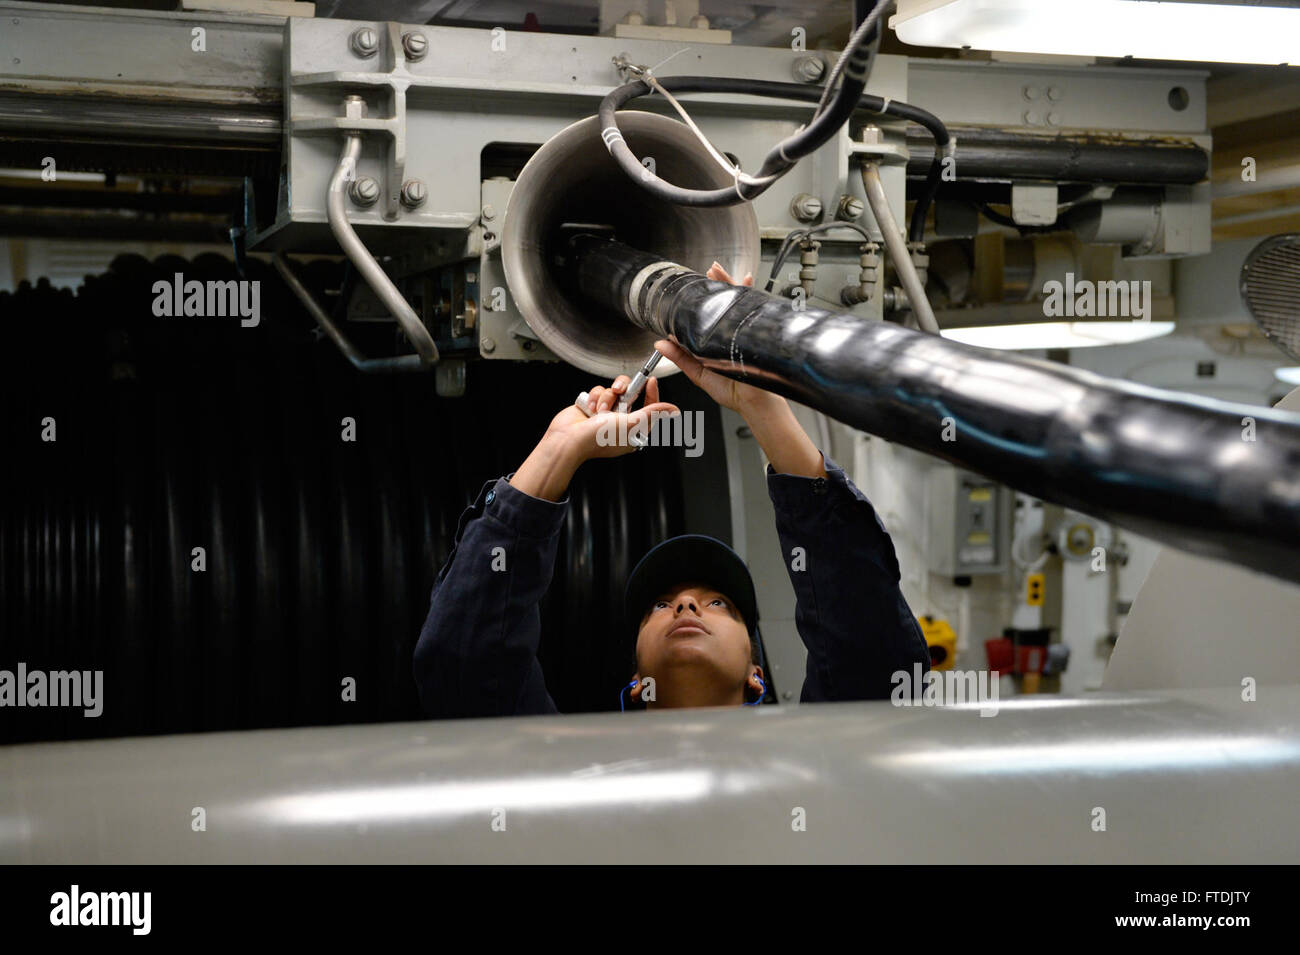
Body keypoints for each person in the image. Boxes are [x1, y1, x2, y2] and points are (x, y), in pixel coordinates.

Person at [413, 263, 929, 718]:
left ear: (757, 674)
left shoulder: (812, 767)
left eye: (719, 603)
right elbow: (465, 667)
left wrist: (764, 407)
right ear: (636, 682)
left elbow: (872, 655)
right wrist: (557, 449)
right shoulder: (570, 783)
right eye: (660, 605)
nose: (685, 605)